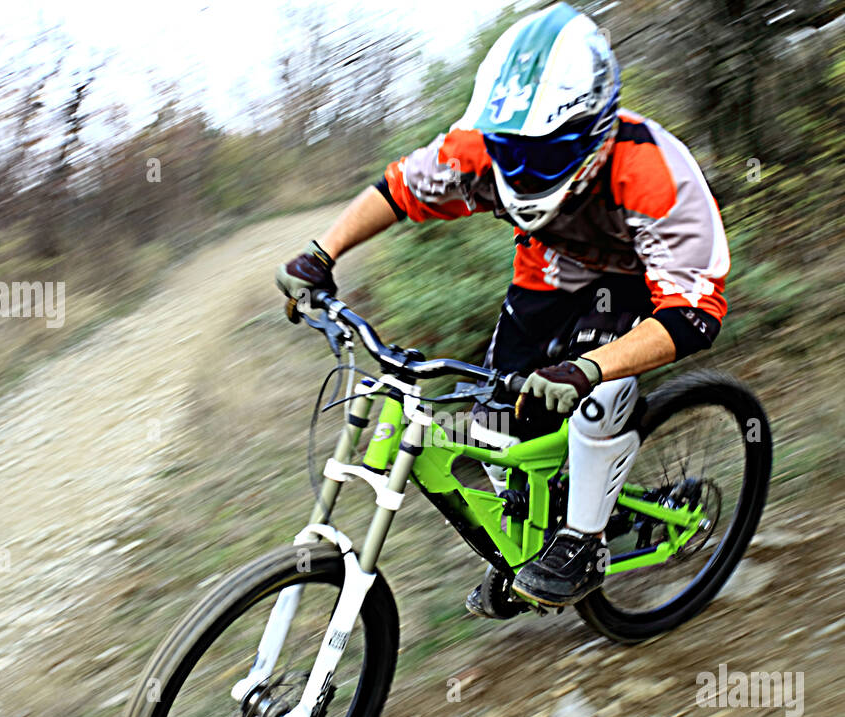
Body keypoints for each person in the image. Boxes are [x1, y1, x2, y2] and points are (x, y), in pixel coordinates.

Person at [276, 2, 729, 610]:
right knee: (500, 416)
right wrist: (320, 253)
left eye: (540, 154)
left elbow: (693, 314)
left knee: (598, 392)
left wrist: (588, 368)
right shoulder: (476, 147)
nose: (519, 166)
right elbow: (398, 190)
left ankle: (585, 540)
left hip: (637, 285)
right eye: (508, 149)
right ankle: (521, 543)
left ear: (596, 129)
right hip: (546, 276)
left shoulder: (655, 172)